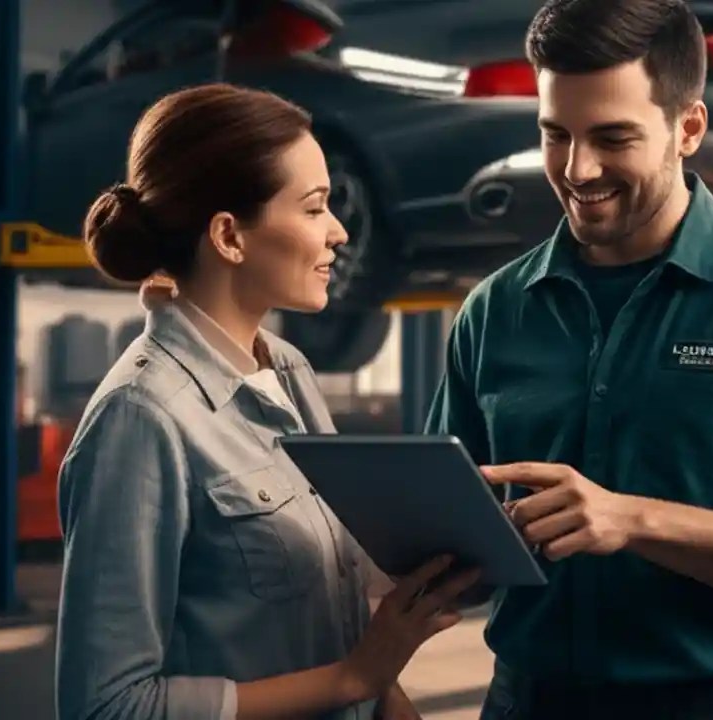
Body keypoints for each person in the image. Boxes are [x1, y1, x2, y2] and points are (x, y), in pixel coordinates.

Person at [425, 1, 713, 718]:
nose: (578, 169)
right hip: (524, 700)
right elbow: (457, 537)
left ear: (689, 129)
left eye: (613, 137)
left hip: (708, 703)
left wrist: (632, 520)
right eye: (556, 135)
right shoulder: (494, 309)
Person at [55, 83, 479, 720]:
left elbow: (332, 606)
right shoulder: (140, 419)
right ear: (229, 236)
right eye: (314, 208)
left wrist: (385, 694)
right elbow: (108, 706)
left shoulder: (287, 370)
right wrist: (353, 679)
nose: (338, 232)